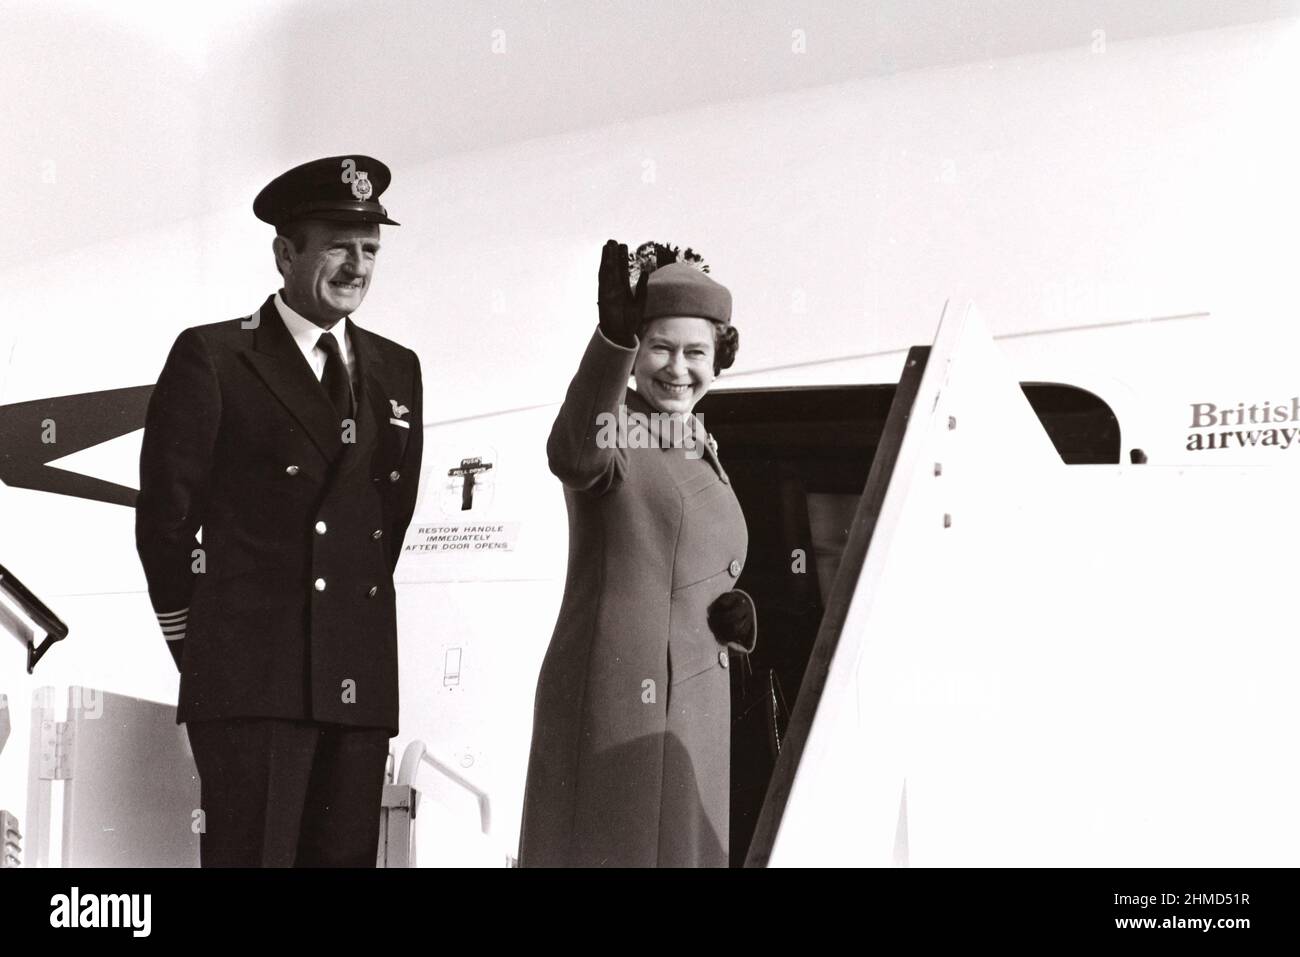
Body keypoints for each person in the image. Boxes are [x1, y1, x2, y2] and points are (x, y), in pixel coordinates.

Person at [134, 155, 424, 867]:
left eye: (370, 249)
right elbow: (166, 526)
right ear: (285, 253)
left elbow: (386, 520)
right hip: (250, 680)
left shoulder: (398, 368)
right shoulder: (216, 356)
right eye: (338, 246)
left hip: (354, 683)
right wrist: (205, 643)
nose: (357, 265)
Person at [519, 240, 757, 867]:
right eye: (660, 348)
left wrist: (736, 611)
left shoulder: (697, 441)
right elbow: (572, 454)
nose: (678, 369)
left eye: (696, 352)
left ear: (719, 359)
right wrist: (609, 341)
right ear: (636, 351)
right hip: (621, 705)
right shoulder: (617, 426)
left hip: (692, 711)